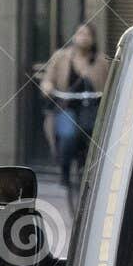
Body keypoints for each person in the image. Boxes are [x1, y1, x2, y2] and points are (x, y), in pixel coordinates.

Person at [41, 21, 110, 193]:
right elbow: (48, 79)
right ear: (74, 37)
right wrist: (48, 87)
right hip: (67, 106)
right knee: (68, 135)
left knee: (94, 135)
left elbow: (111, 83)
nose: (83, 38)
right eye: (80, 34)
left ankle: (89, 170)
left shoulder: (101, 61)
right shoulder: (61, 57)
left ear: (93, 39)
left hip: (91, 108)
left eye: (87, 34)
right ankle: (64, 172)